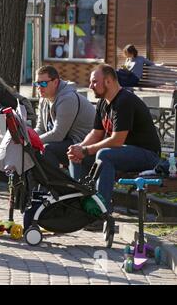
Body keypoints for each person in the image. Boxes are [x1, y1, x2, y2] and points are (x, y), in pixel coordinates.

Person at [67, 64, 161, 230]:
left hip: (147, 155)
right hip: (123, 152)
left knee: (104, 155)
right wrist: (79, 148)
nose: (90, 86)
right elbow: (96, 134)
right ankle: (81, 208)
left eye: (95, 82)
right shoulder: (103, 102)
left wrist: (86, 150)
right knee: (76, 157)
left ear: (109, 81)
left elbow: (117, 140)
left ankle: (101, 214)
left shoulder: (124, 101)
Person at [34, 65, 95, 169]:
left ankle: (55, 183)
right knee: (32, 148)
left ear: (55, 82)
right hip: (68, 142)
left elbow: (58, 134)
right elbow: (41, 129)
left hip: (84, 145)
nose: (39, 87)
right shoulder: (44, 99)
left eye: (43, 83)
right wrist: (27, 138)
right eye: (37, 83)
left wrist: (32, 142)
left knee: (46, 148)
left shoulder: (68, 98)